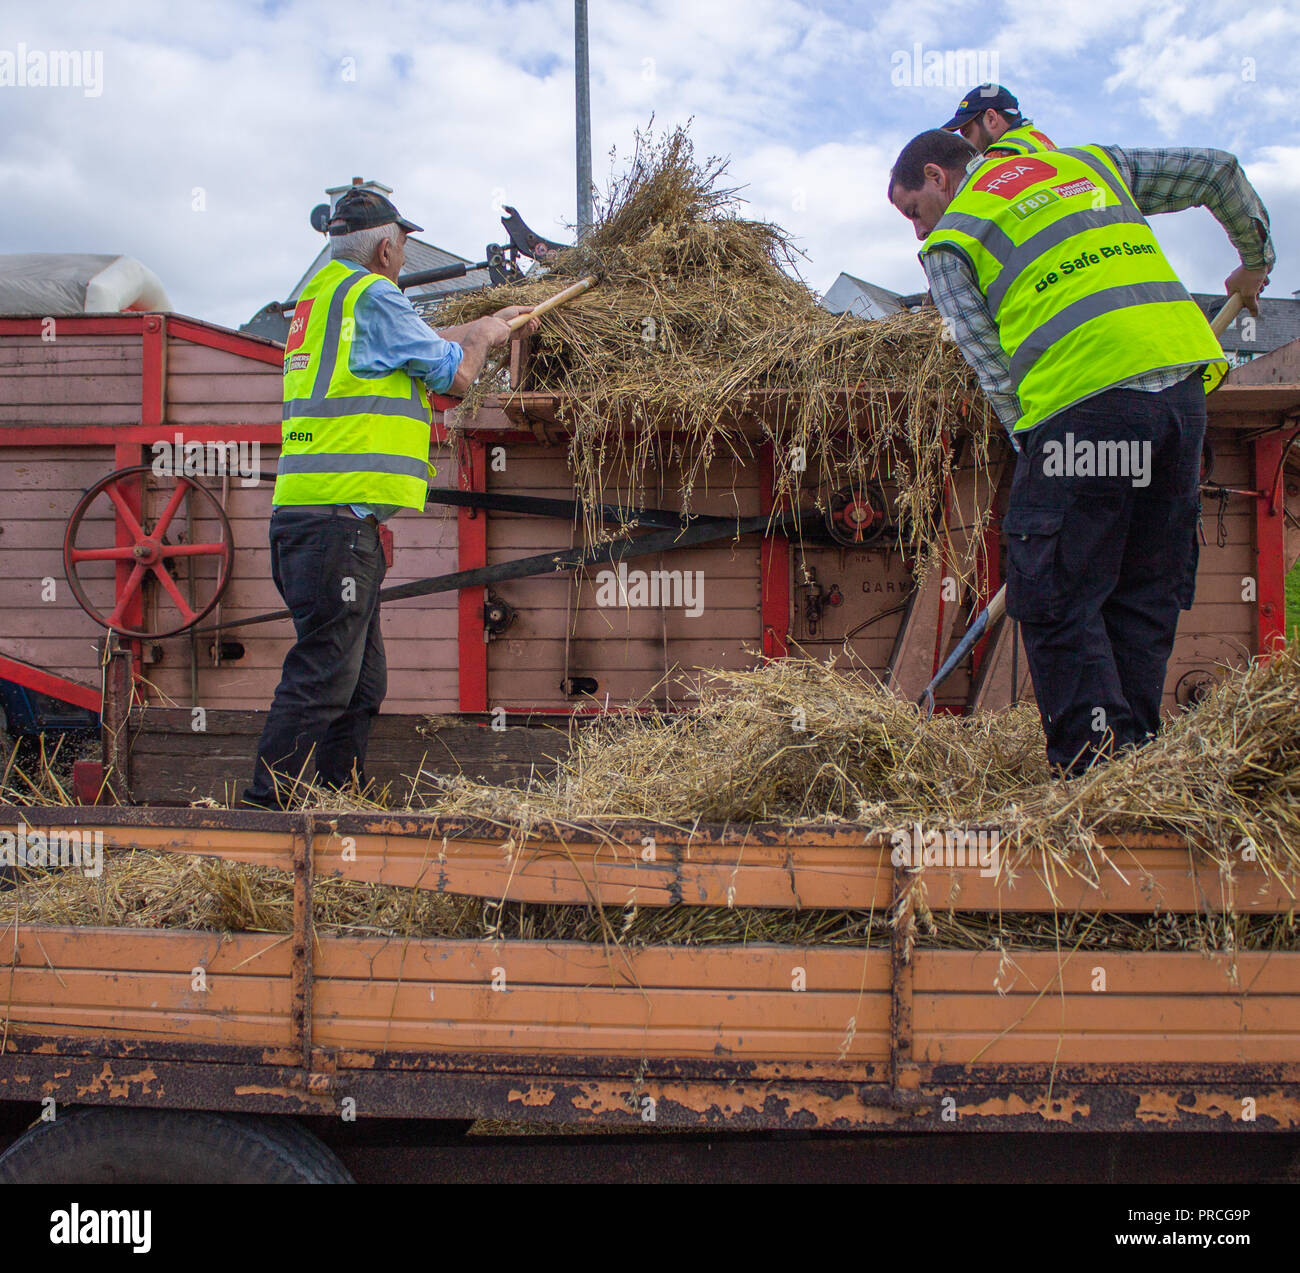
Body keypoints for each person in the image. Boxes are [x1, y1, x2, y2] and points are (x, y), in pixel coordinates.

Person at [888, 130, 1273, 775]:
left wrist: (1038, 450)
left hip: (1083, 411)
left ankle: (1091, 777)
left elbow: (990, 365)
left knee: (1053, 594)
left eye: (912, 212)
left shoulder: (956, 238)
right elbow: (1217, 170)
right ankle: (1134, 771)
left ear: (938, 176)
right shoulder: (1089, 163)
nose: (918, 232)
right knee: (1142, 591)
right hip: (1181, 402)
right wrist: (1255, 258)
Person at [241, 188, 538, 808]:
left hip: (319, 520)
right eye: (402, 245)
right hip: (335, 525)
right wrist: (483, 337)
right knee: (324, 675)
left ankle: (337, 803)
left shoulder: (321, 301)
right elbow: (454, 374)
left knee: (360, 681)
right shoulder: (375, 294)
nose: (401, 257)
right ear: (386, 245)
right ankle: (265, 813)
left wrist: (485, 324)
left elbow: (411, 343)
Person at [940, 83, 1054, 156]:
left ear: (991, 118)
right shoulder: (1041, 141)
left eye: (967, 133)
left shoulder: (999, 156)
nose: (965, 144)